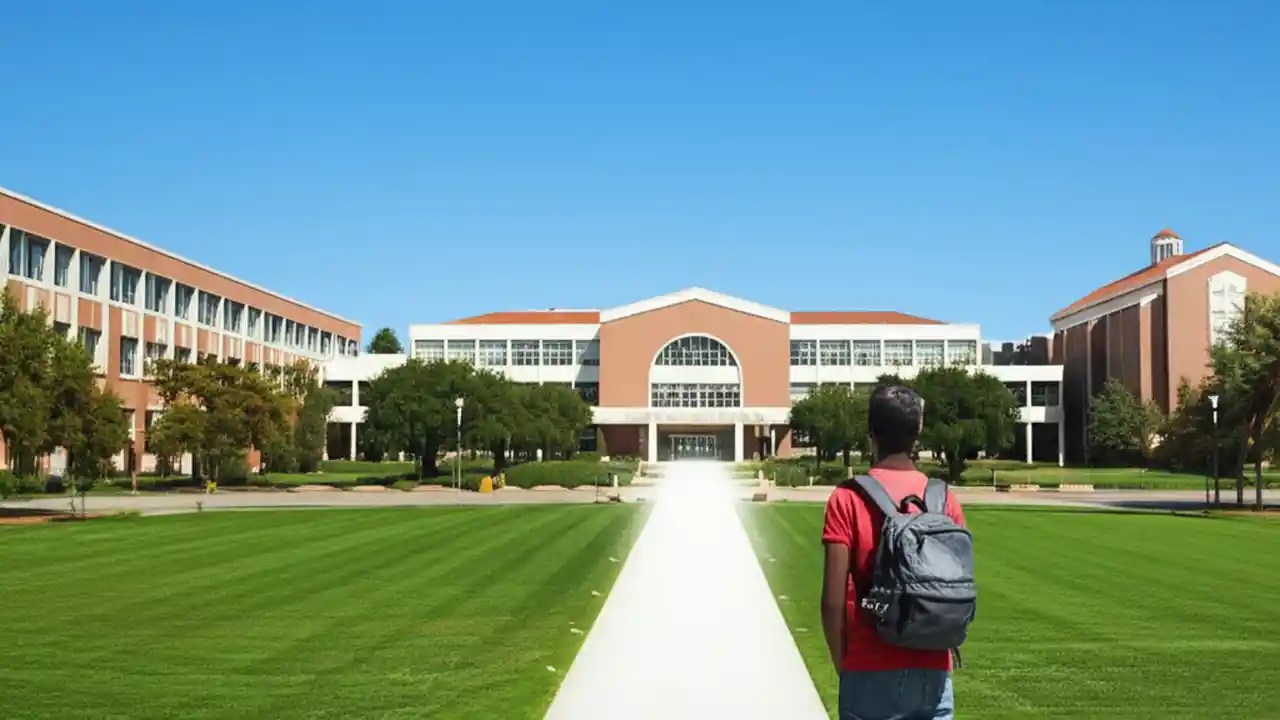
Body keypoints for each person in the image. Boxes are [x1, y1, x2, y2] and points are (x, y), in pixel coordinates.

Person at [820, 385, 967, 720]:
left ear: (871, 432)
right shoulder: (943, 499)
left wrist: (844, 663)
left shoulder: (847, 499)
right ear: (919, 429)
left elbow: (832, 603)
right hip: (932, 669)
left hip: (868, 665)